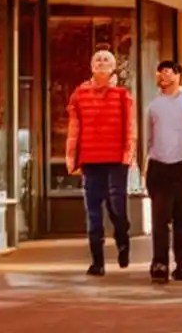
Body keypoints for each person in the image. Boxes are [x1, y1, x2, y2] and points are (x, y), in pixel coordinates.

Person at [66, 49, 136, 276]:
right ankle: (97, 262)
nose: (102, 62)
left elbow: (130, 127)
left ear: (113, 67)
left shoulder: (122, 95)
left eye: (106, 59)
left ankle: (122, 240)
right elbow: (74, 129)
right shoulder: (79, 95)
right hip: (90, 160)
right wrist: (72, 158)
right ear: (92, 66)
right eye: (97, 59)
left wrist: (128, 154)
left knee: (117, 207)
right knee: (93, 213)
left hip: (116, 160)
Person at [145, 60, 182, 283]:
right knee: (159, 218)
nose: (164, 77)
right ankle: (159, 263)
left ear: (178, 75)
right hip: (159, 165)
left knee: (181, 217)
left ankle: (181, 263)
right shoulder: (153, 105)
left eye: (168, 73)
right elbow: (148, 137)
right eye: (161, 73)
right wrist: (144, 164)